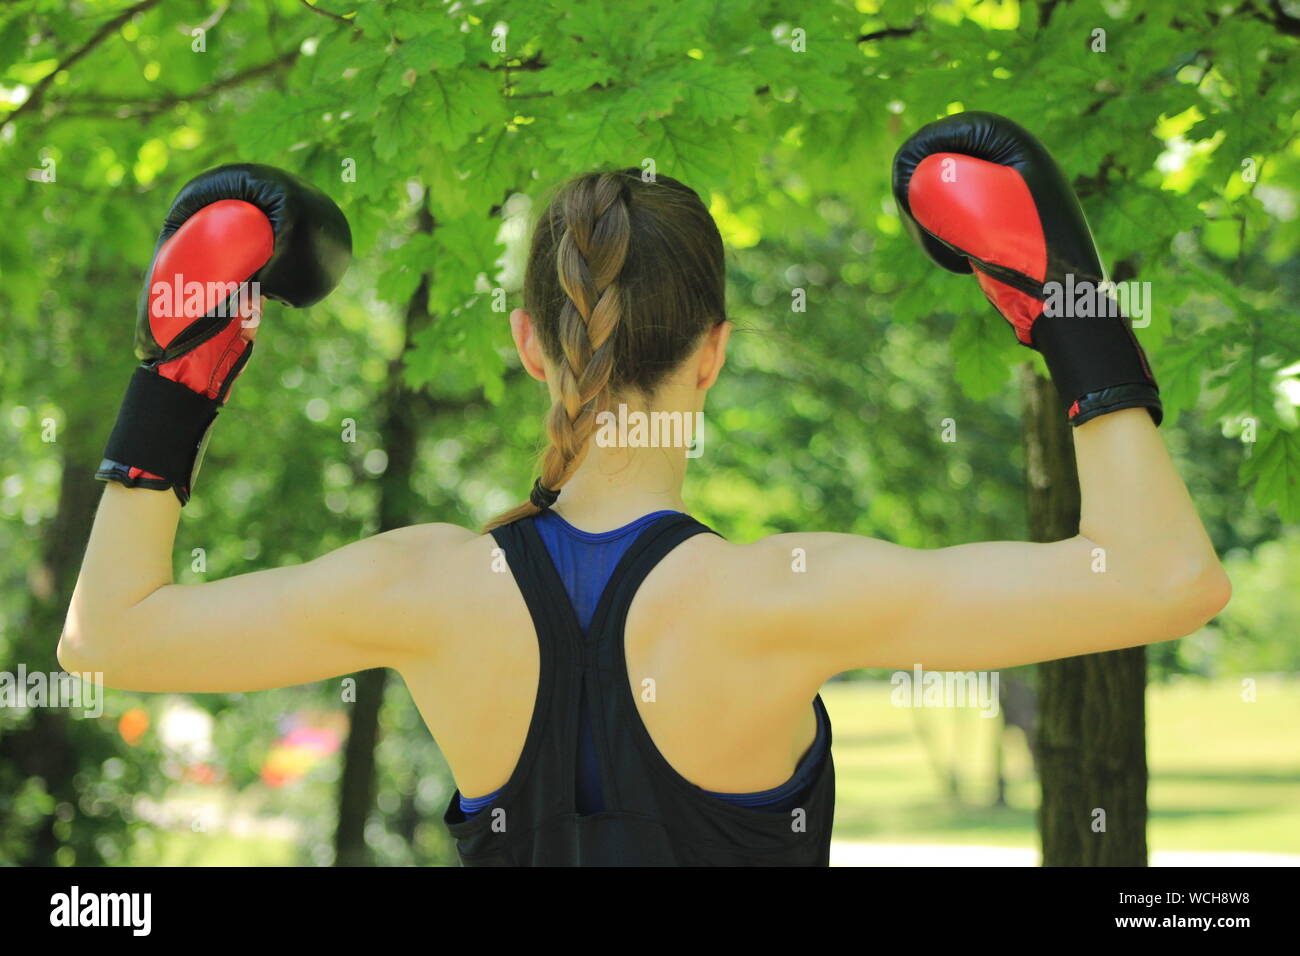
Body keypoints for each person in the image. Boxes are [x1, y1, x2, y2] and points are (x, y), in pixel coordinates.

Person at [59, 115, 1231, 867]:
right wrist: (1068, 311)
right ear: (713, 350)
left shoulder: (419, 584)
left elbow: (105, 636)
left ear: (529, 344)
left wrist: (182, 378)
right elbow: (1163, 577)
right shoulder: (787, 594)